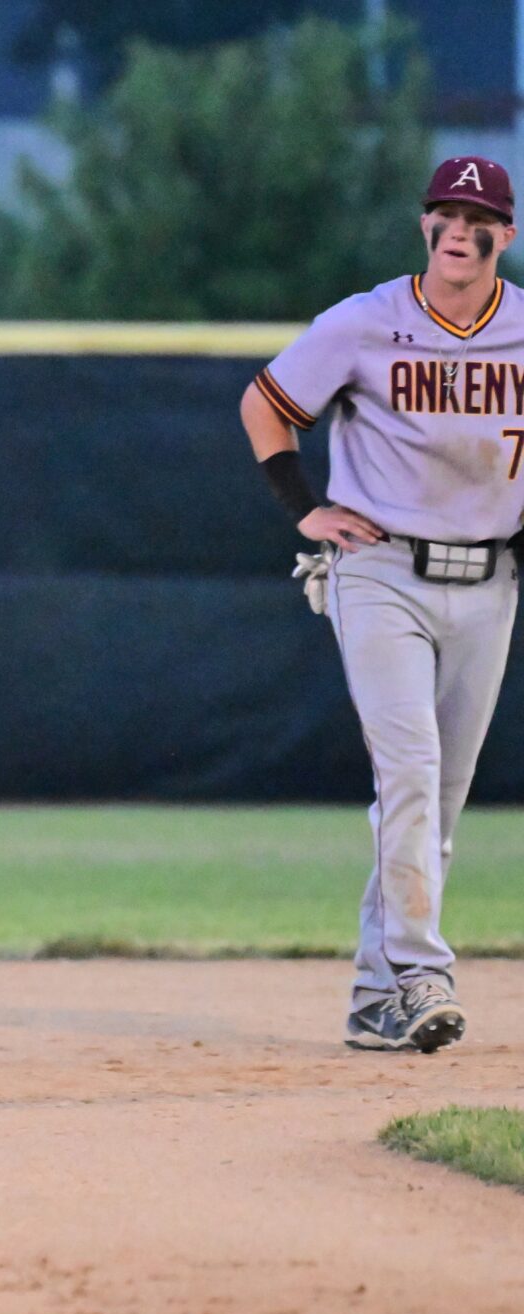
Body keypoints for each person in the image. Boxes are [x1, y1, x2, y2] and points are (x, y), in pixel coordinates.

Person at [241, 155, 523, 1054]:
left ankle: (376, 1001)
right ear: (424, 225)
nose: (459, 229)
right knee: (408, 773)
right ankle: (422, 971)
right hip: (381, 570)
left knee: (438, 801)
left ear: (505, 235)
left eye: (478, 218)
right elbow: (265, 405)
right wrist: (305, 507)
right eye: (445, 213)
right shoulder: (367, 321)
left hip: (491, 580)